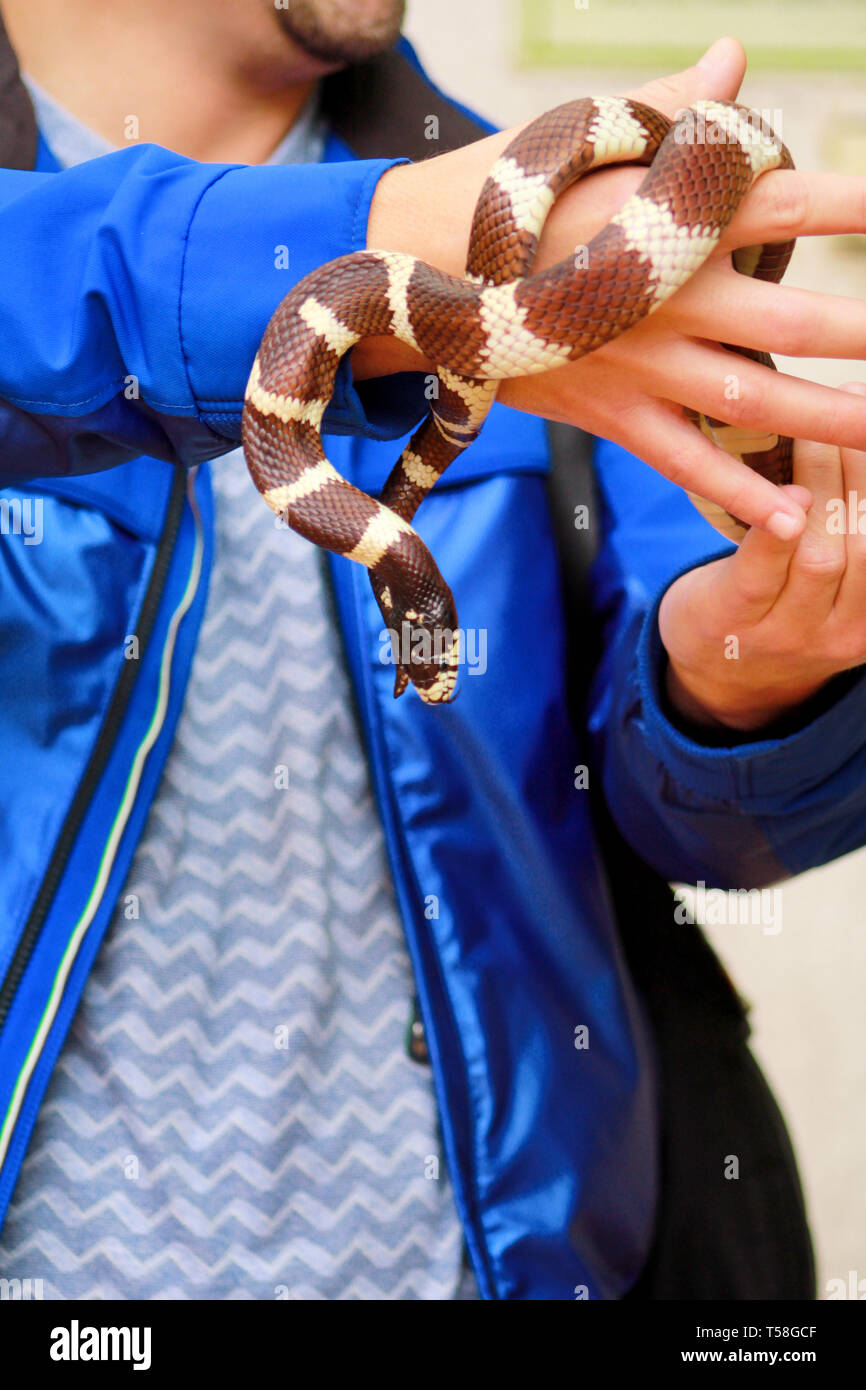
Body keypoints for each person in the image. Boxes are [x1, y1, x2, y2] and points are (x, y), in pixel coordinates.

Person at [0, 1, 864, 1300]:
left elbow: (685, 816)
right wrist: (391, 242)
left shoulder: (535, 192)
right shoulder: (490, 230)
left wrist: (746, 677)